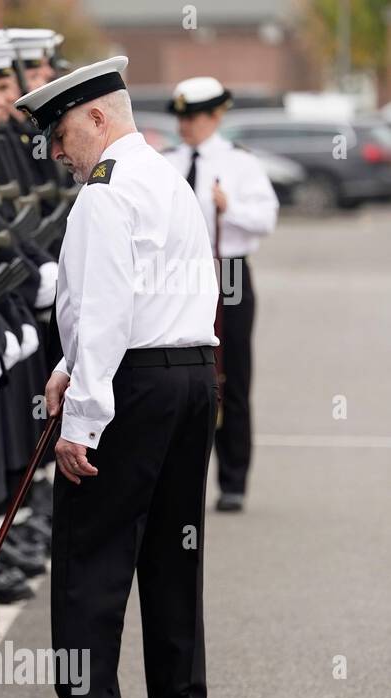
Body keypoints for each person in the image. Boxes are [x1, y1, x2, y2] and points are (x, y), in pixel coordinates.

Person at [11, 56, 218, 698]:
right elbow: (157, 298)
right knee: (173, 564)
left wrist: (82, 419)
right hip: (190, 377)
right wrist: (77, 368)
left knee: (90, 566)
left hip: (132, 388)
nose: (59, 153)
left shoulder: (104, 194)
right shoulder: (167, 179)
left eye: (63, 134)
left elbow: (103, 310)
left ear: (98, 117)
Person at [164, 76, 278, 513]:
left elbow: (266, 219)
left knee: (232, 374)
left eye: (192, 117)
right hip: (179, 274)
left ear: (216, 116)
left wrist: (231, 207)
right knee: (185, 375)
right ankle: (181, 478)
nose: (184, 126)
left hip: (227, 270)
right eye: (180, 117)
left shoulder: (240, 163)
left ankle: (233, 479)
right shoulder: (169, 161)